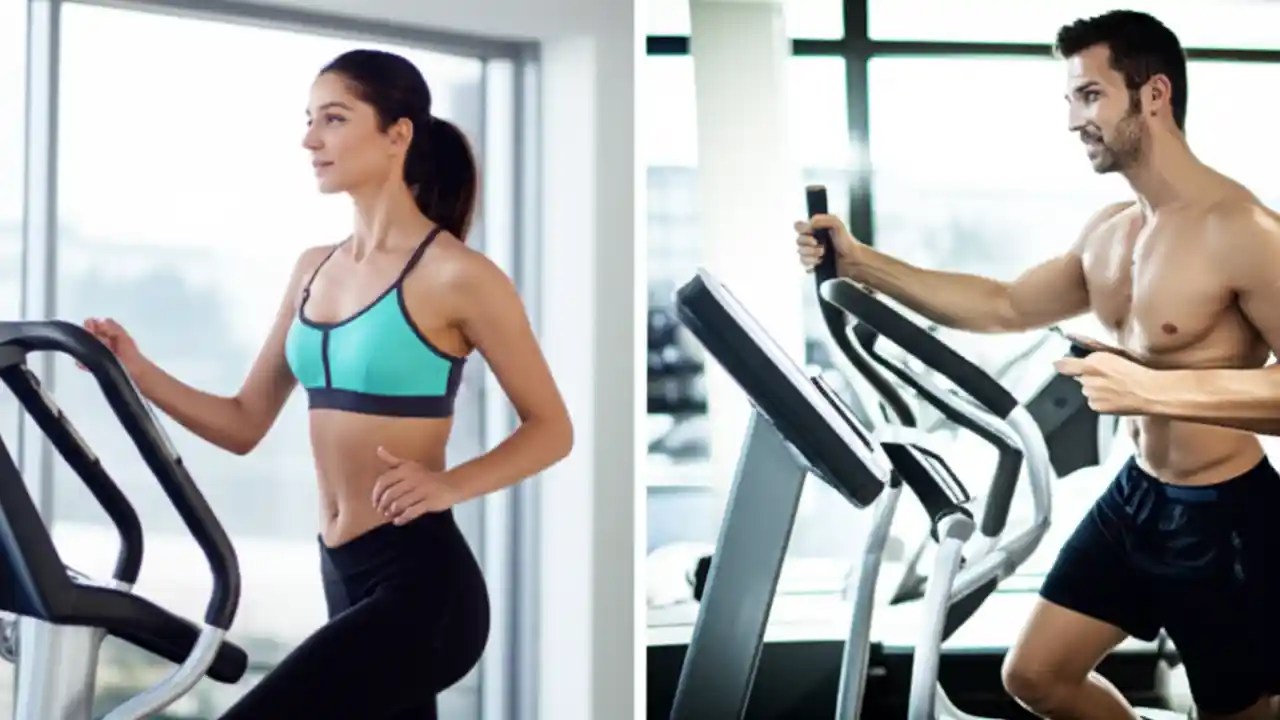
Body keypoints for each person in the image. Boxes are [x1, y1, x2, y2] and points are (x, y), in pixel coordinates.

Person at [795, 10, 1280, 720]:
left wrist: (1155, 388)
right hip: (1137, 498)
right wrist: (862, 262)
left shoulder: (1243, 229)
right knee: (1037, 676)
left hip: (1227, 516)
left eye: (1089, 95)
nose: (1072, 119)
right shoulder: (1113, 230)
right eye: (1070, 99)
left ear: (1154, 95)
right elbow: (1002, 304)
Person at [81, 48, 573, 720]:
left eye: (334, 119)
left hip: (422, 586)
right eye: (310, 120)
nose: (310, 139)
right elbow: (244, 422)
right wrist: (133, 368)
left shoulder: (459, 276)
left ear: (397, 134)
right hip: (340, 570)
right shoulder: (313, 269)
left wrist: (450, 483)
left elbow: (552, 428)